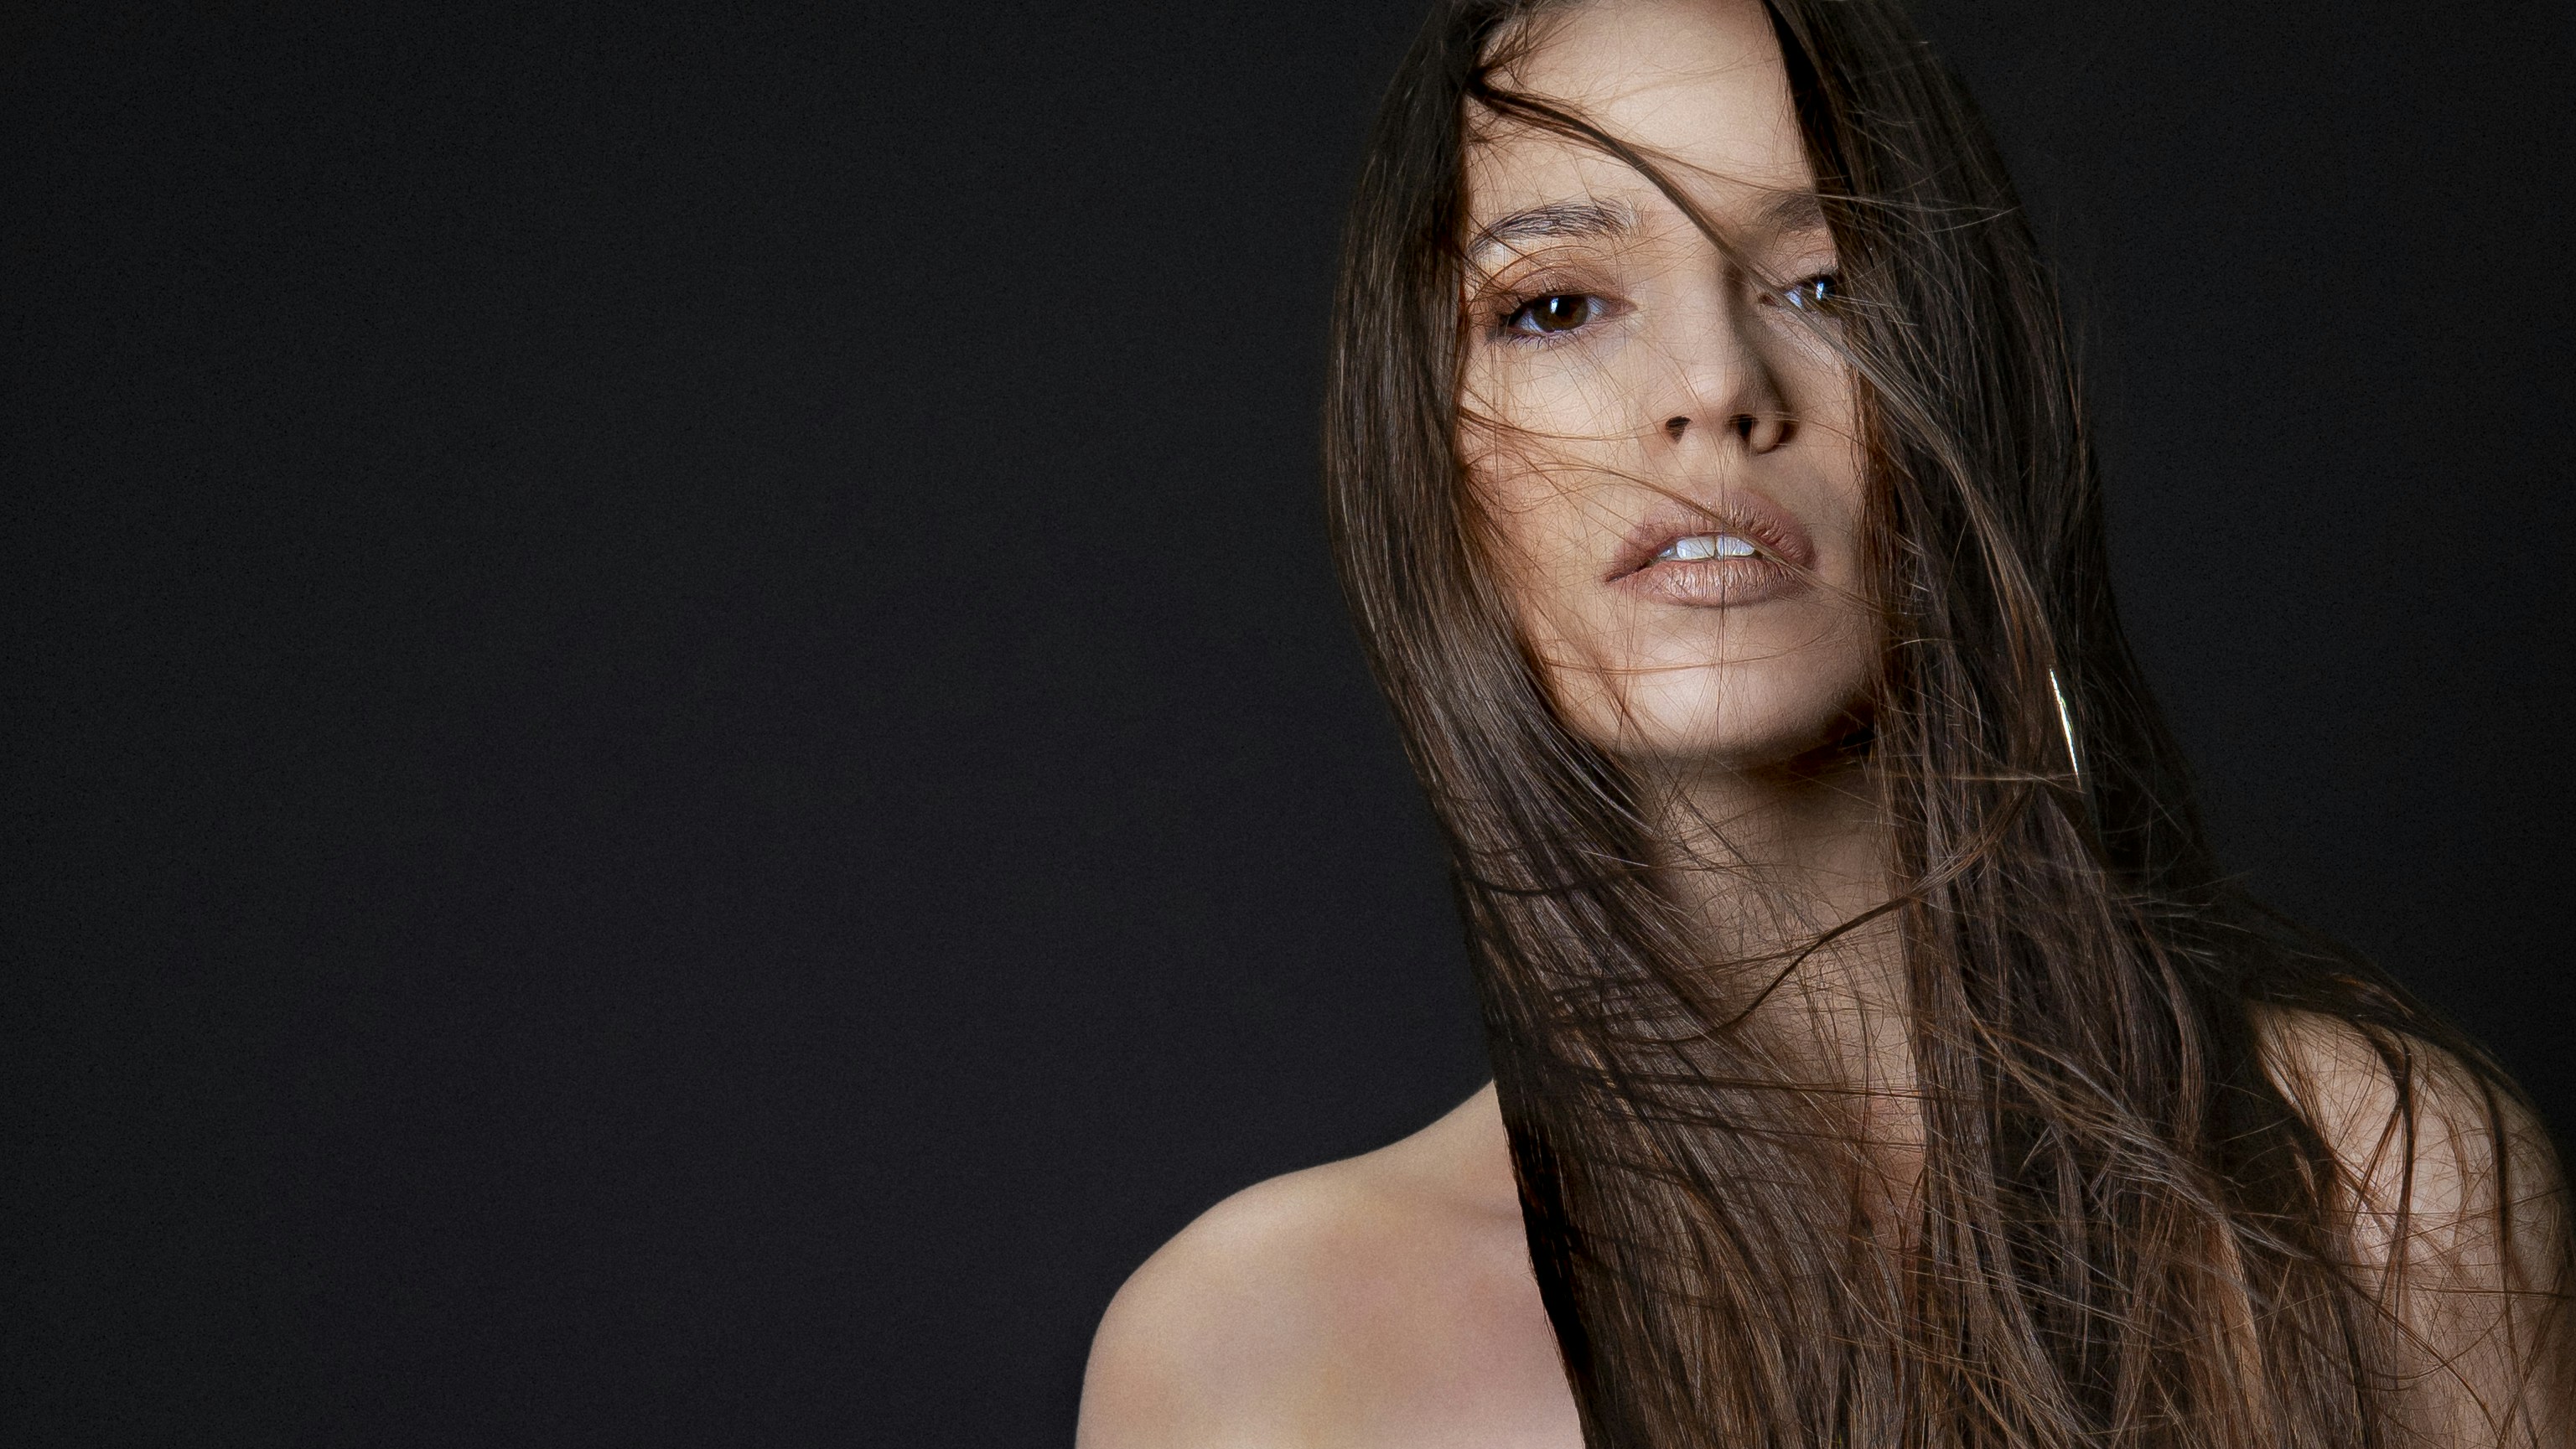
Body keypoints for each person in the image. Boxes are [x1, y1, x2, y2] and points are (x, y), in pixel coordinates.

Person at [1075, 1, 2575, 1444]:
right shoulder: (1252, 1353)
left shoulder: (2368, 1187)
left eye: (1825, 285)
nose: (1716, 387)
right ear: (1422, 445)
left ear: (1964, 389)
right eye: (1554, 306)